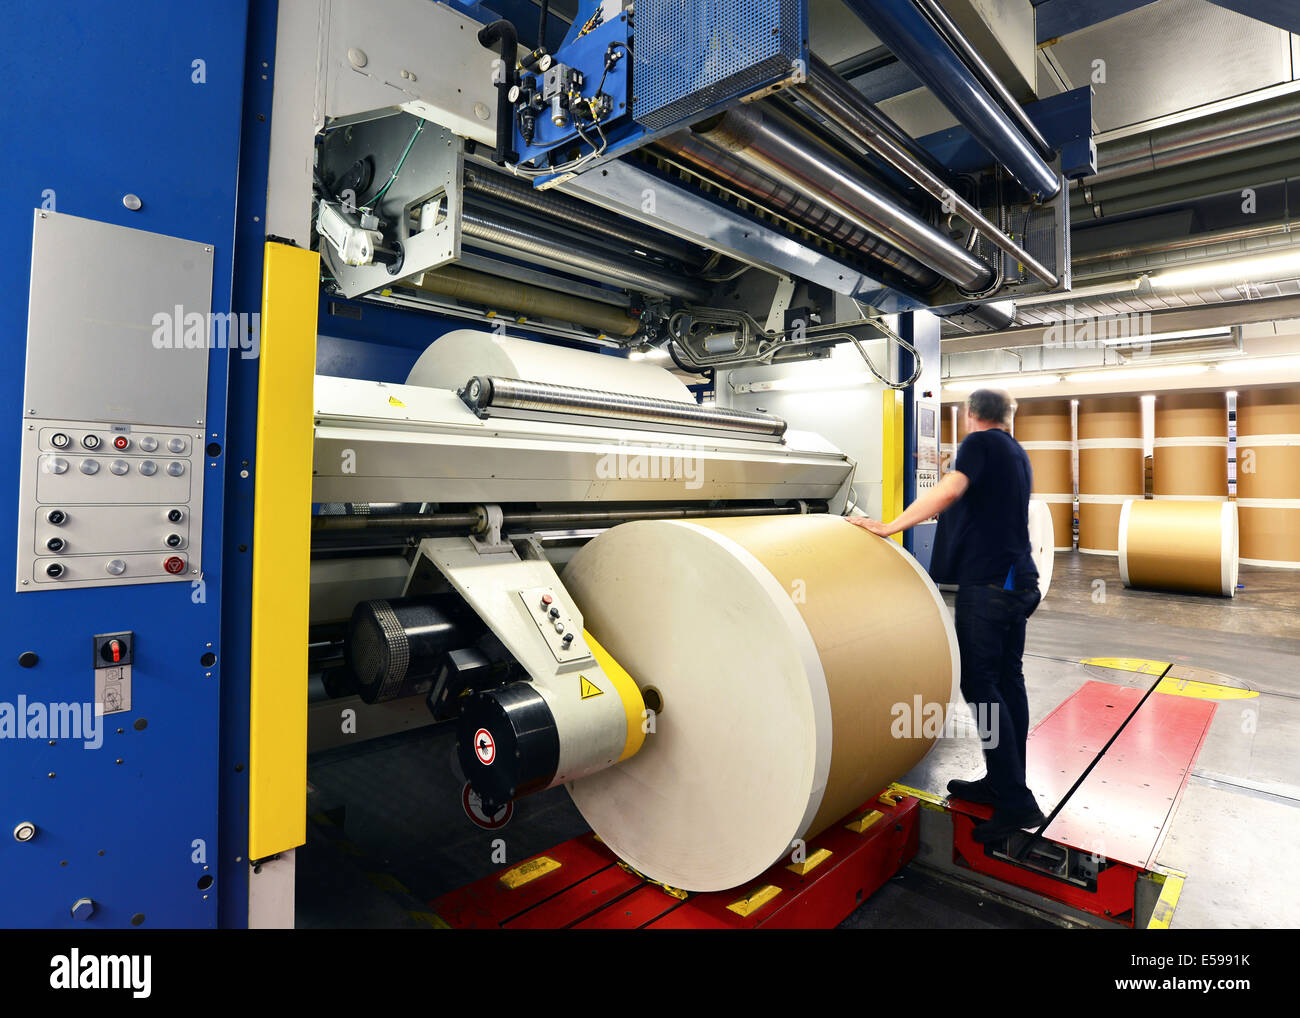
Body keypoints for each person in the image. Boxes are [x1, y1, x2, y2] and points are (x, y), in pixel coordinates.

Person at [847, 388, 1045, 843]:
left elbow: (952, 489)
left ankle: (1013, 801)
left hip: (990, 585)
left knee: (980, 684)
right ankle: (1004, 784)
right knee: (1007, 682)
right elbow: (974, 496)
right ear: (1008, 415)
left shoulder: (979, 444)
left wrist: (889, 525)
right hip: (1019, 583)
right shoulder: (1015, 452)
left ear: (970, 414)